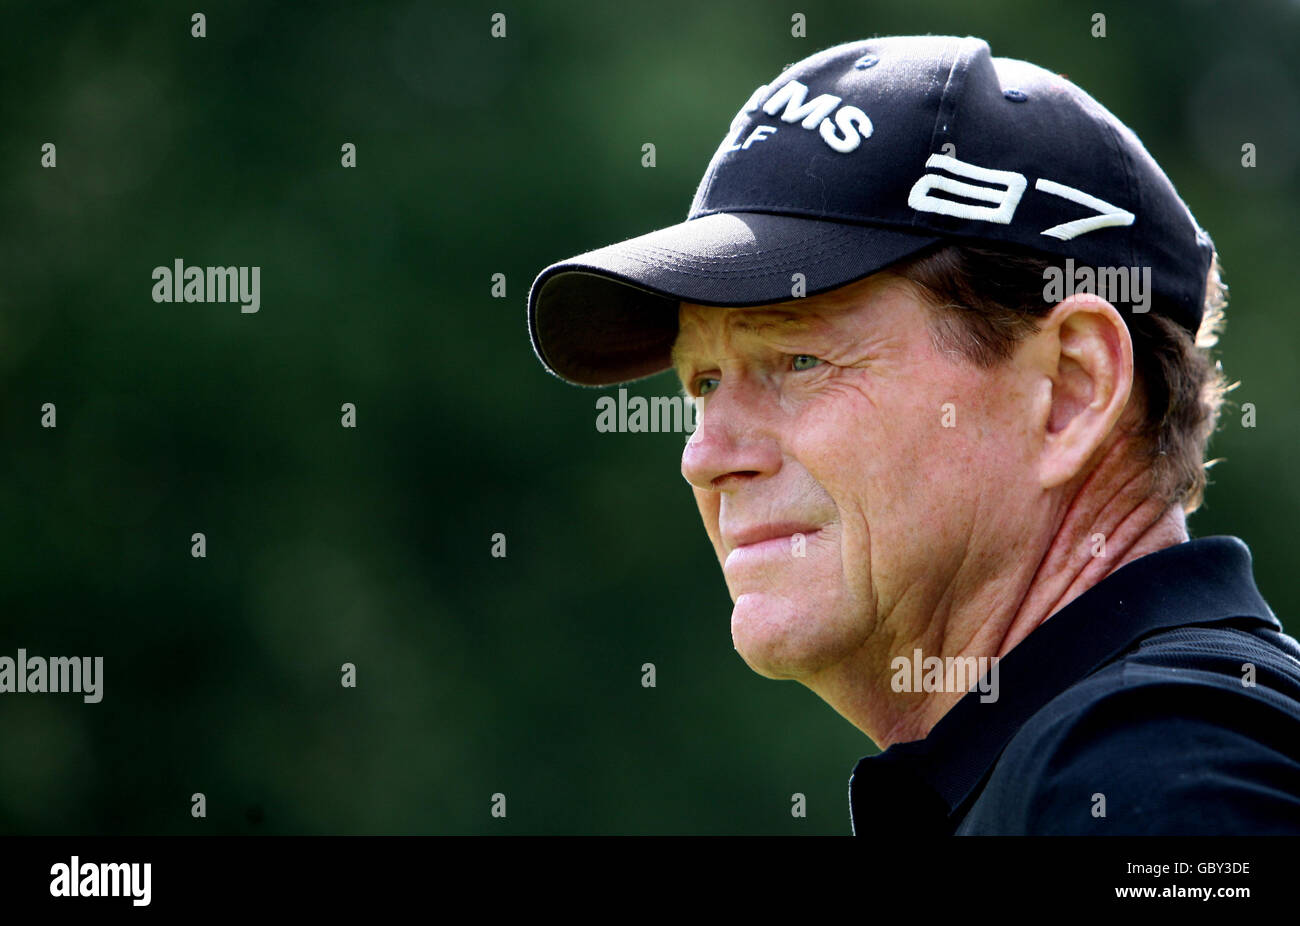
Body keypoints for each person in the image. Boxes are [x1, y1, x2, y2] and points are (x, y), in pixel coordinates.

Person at [526, 35, 1300, 834]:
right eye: (704, 383)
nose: (705, 457)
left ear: (1071, 390)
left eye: (798, 358)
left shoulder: (1151, 773)